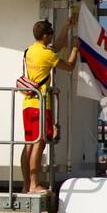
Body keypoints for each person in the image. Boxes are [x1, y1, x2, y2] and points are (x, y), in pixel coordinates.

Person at [20, 16, 79, 194]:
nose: (52, 37)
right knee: (39, 142)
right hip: (40, 104)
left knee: (29, 143)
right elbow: (69, 66)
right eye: (51, 34)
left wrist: (67, 27)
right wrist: (75, 48)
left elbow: (57, 47)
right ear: (45, 35)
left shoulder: (30, 50)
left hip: (27, 103)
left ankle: (25, 184)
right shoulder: (46, 54)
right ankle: (34, 184)